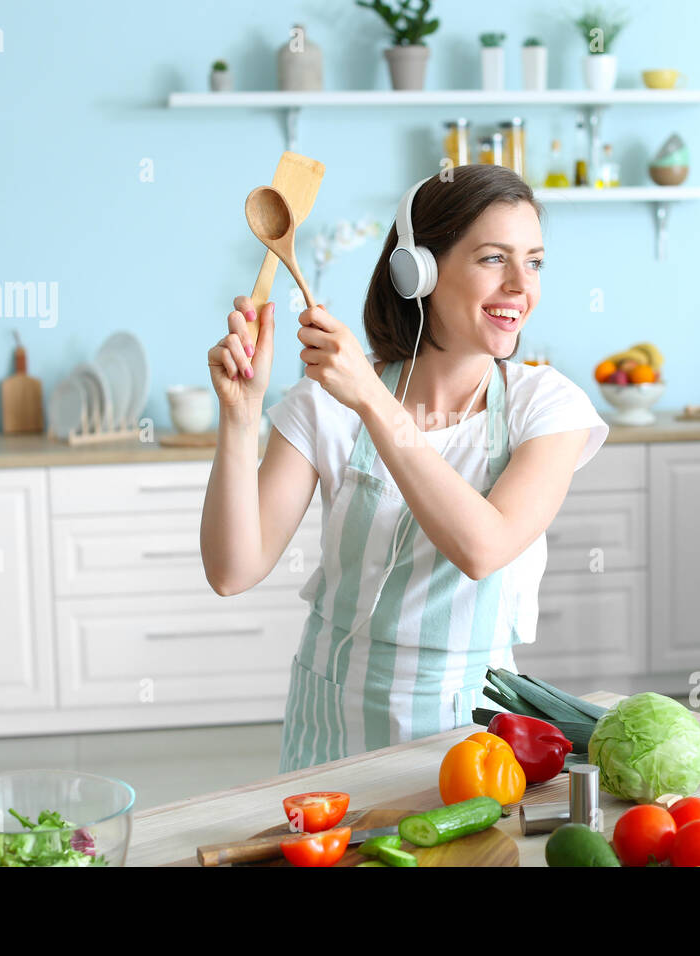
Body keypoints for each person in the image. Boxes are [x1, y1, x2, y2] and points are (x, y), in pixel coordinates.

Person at [200, 164, 608, 772]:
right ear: (417, 271)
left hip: (470, 735)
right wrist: (241, 413)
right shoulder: (324, 403)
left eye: (535, 262)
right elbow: (233, 570)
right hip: (329, 725)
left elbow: (482, 546)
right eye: (494, 259)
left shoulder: (547, 406)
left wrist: (371, 397)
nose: (521, 285)